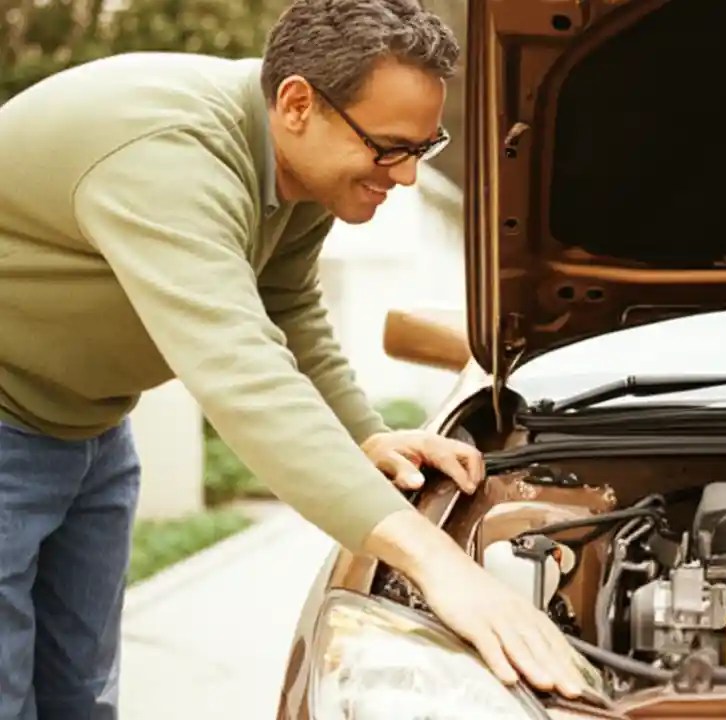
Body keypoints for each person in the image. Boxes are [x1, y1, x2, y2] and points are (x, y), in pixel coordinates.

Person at [0, 0, 586, 716]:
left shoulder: (297, 164)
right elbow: (241, 369)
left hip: (91, 429)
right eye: (388, 147)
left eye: (421, 149)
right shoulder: (167, 156)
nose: (403, 178)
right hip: (6, 424)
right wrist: (433, 563)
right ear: (298, 103)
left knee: (80, 697)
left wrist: (363, 432)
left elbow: (286, 306)